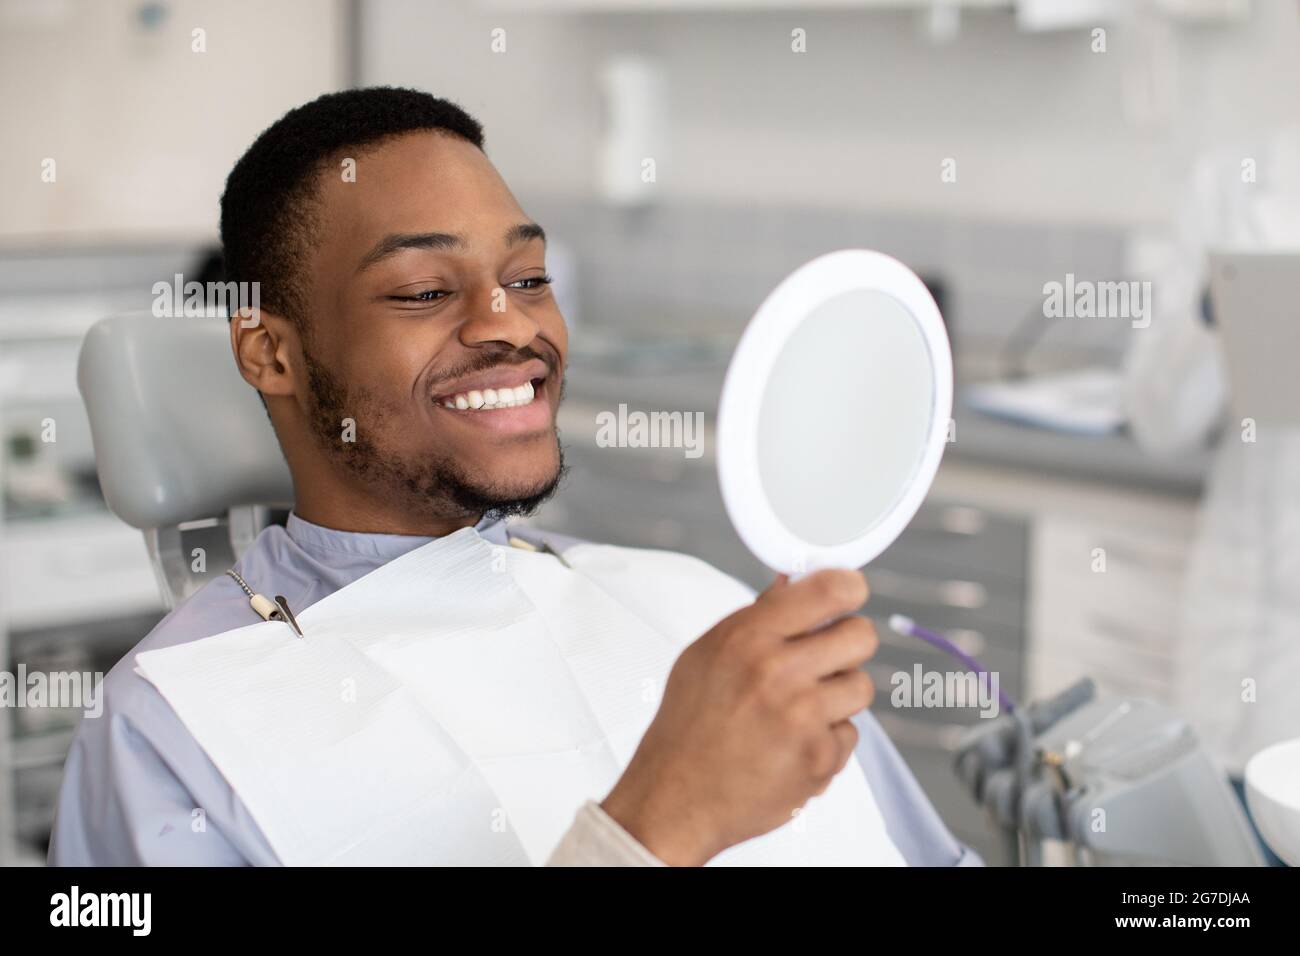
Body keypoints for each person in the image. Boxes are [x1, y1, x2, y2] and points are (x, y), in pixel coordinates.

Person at [50, 88, 975, 867]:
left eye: (528, 279)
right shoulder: (171, 730)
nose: (509, 326)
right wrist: (655, 827)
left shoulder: (696, 605)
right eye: (423, 291)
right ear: (273, 354)